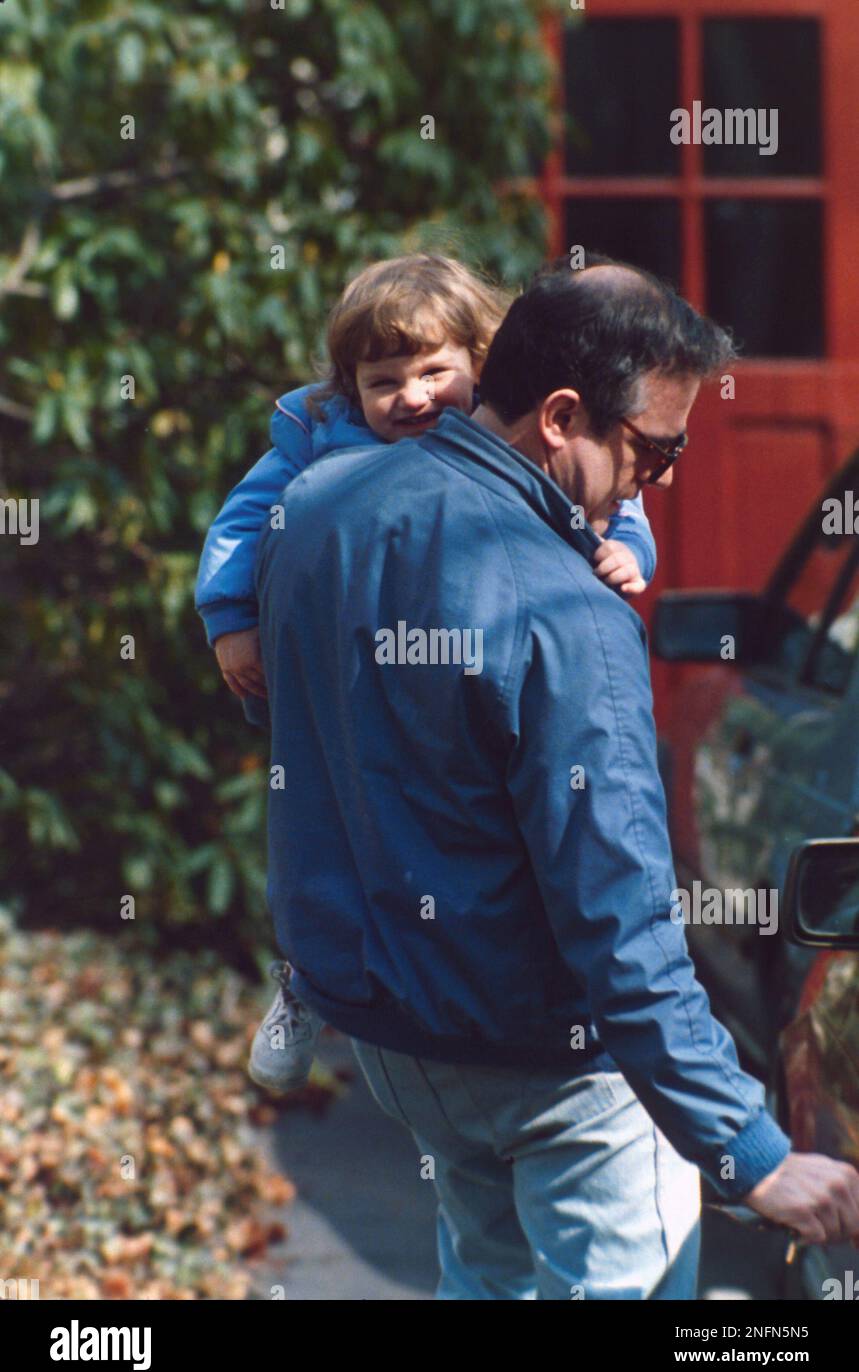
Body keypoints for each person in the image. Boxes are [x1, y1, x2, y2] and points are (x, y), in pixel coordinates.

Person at [253, 252, 859, 1299]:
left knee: (485, 1275)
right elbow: (620, 922)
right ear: (561, 415)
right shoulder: (569, 612)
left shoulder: (315, 511)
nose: (654, 484)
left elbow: (310, 740)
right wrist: (749, 1153)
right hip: (552, 1058)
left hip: (396, 1038)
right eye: (653, 452)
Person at [194, 253, 656, 1093]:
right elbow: (240, 520)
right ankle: (306, 979)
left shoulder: (520, 437)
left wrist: (627, 554)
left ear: (478, 364)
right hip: (351, 664)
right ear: (348, 389)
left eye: (432, 372)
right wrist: (231, 620)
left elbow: (613, 494)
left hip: (451, 663)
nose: (409, 397)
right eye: (383, 381)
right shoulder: (318, 435)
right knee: (320, 829)